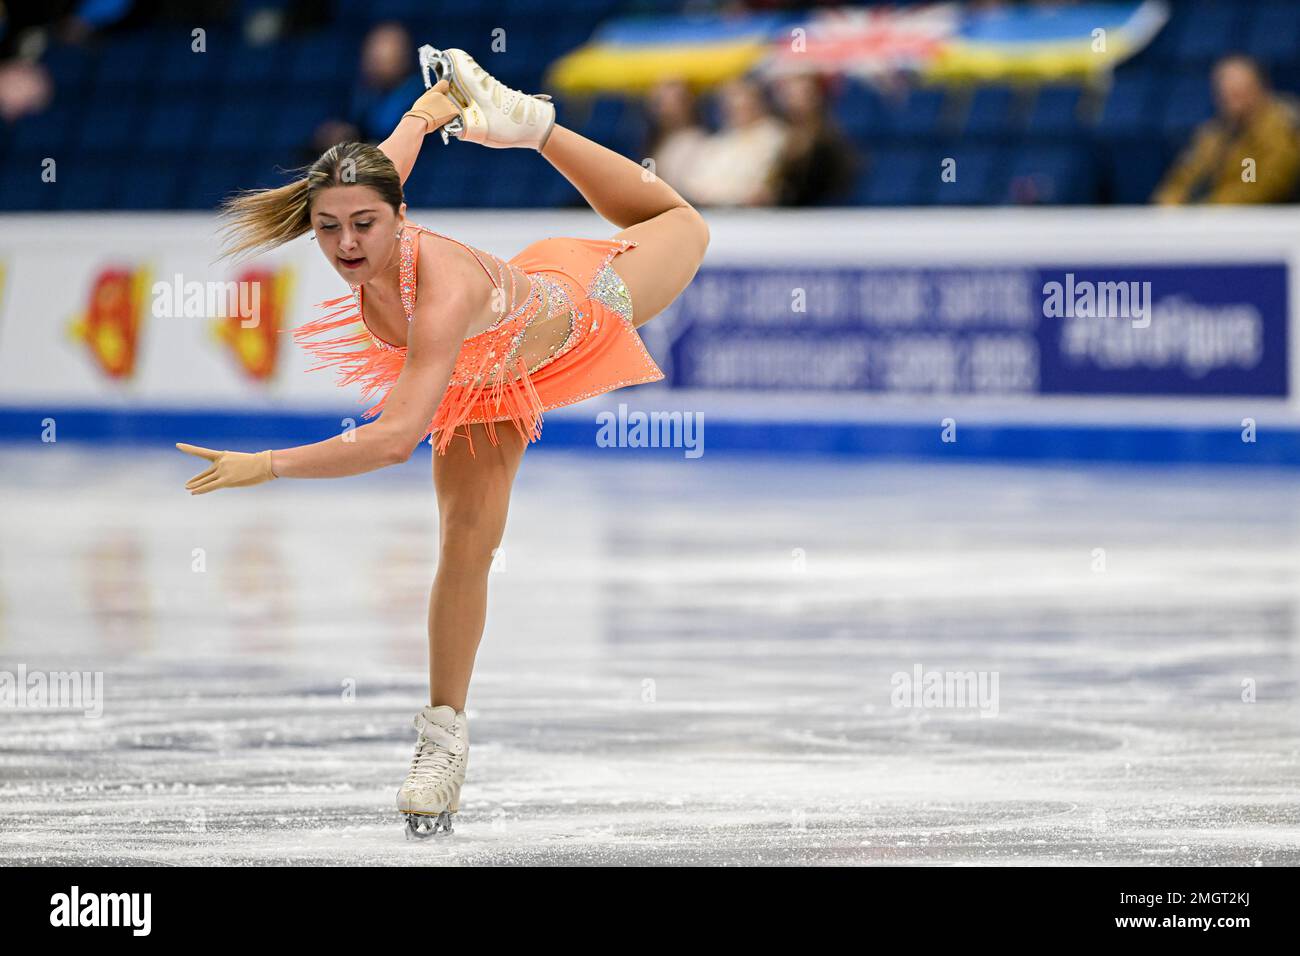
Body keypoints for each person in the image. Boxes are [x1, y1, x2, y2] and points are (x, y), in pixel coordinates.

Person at [174, 47, 710, 838]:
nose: (348, 245)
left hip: (576, 305)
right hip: (479, 371)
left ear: (399, 216)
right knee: (466, 547)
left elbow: (394, 439)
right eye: (329, 229)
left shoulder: (444, 285)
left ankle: (537, 129)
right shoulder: (366, 193)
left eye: (364, 225)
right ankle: (441, 742)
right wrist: (431, 108)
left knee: (682, 224)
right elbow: (393, 151)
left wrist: (268, 465)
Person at [1153, 54, 1300, 205]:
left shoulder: (1278, 129)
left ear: (1261, 88)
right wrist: (1170, 206)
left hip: (1255, 222)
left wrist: (1205, 209)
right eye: (1226, 94)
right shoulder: (1212, 135)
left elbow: (1255, 189)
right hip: (1203, 219)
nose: (1234, 102)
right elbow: (1181, 179)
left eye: (1240, 92)